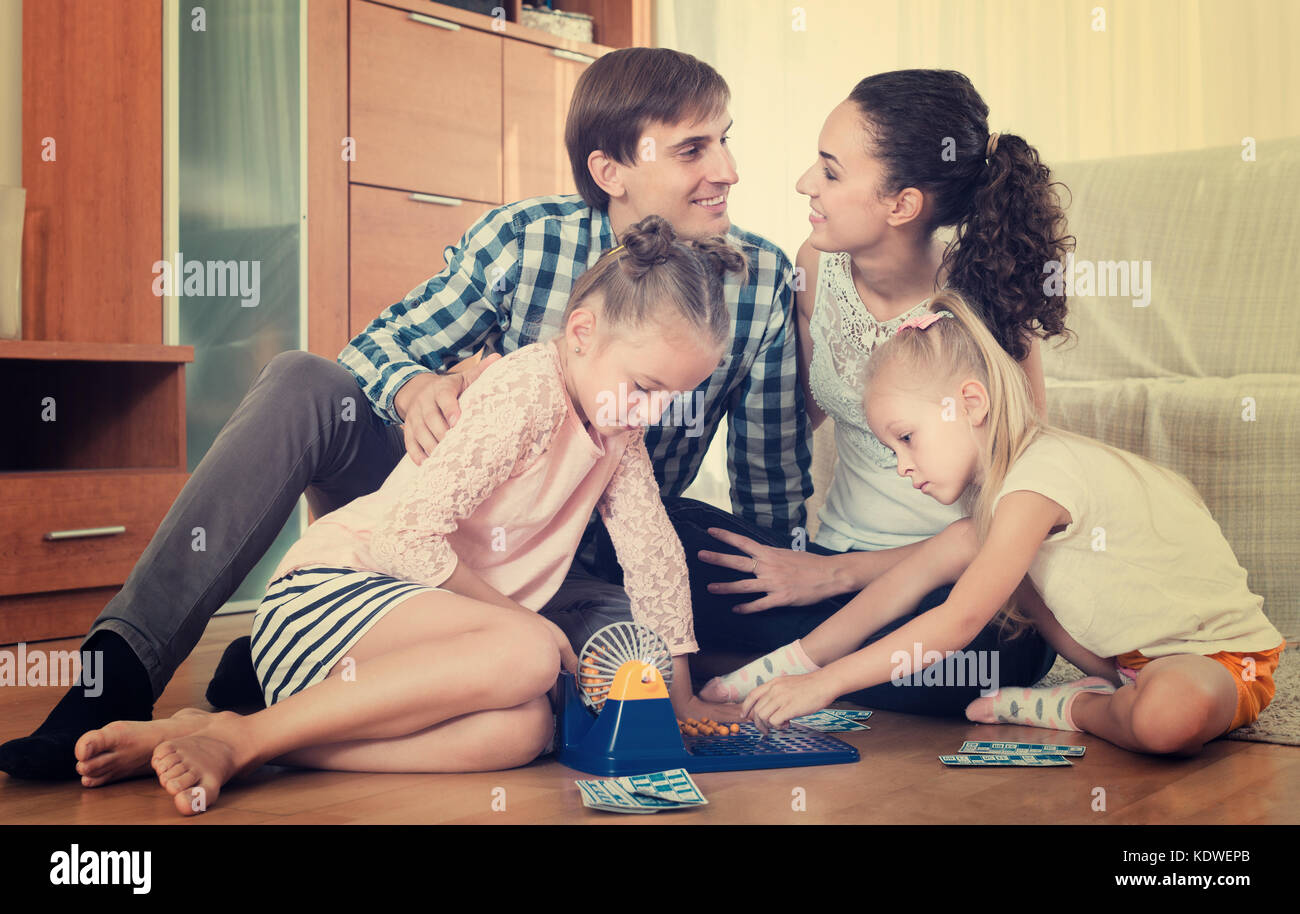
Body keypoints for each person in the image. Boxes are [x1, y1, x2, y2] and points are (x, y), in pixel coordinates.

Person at [0, 47, 811, 783]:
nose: (730, 169)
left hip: (578, 565)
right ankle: (118, 672)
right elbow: (376, 350)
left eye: (726, 139)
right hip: (431, 526)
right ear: (611, 169)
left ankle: (275, 703)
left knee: (563, 702)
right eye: (695, 147)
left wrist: (782, 609)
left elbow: (761, 482)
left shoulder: (763, 279)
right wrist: (415, 388)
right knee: (302, 381)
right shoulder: (523, 243)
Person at [74, 217, 749, 814]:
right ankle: (245, 735)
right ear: (581, 333)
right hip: (331, 600)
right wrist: (521, 624)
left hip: (402, 658)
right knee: (533, 651)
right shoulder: (525, 390)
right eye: (647, 388)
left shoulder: (617, 434)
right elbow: (405, 540)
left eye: (672, 399)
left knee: (524, 732)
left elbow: (653, 555)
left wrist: (682, 697)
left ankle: (237, 733)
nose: (653, 413)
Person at [665, 69, 1073, 714]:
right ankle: (794, 661)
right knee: (661, 529)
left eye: (830, 171)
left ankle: (733, 662)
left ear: (901, 205)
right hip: (828, 570)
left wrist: (835, 574)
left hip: (954, 593)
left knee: (983, 656)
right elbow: (793, 412)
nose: (805, 183)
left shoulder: (985, 300)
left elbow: (1019, 499)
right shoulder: (814, 266)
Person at [727, 290, 1284, 757]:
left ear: (971, 403)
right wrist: (786, 670)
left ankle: (1073, 706)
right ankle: (777, 659)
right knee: (959, 543)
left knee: (1168, 719)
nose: (902, 465)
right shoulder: (996, 503)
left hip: (1226, 661)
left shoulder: (1040, 477)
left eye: (906, 437)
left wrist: (825, 685)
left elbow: (958, 620)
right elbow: (899, 587)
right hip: (1124, 661)